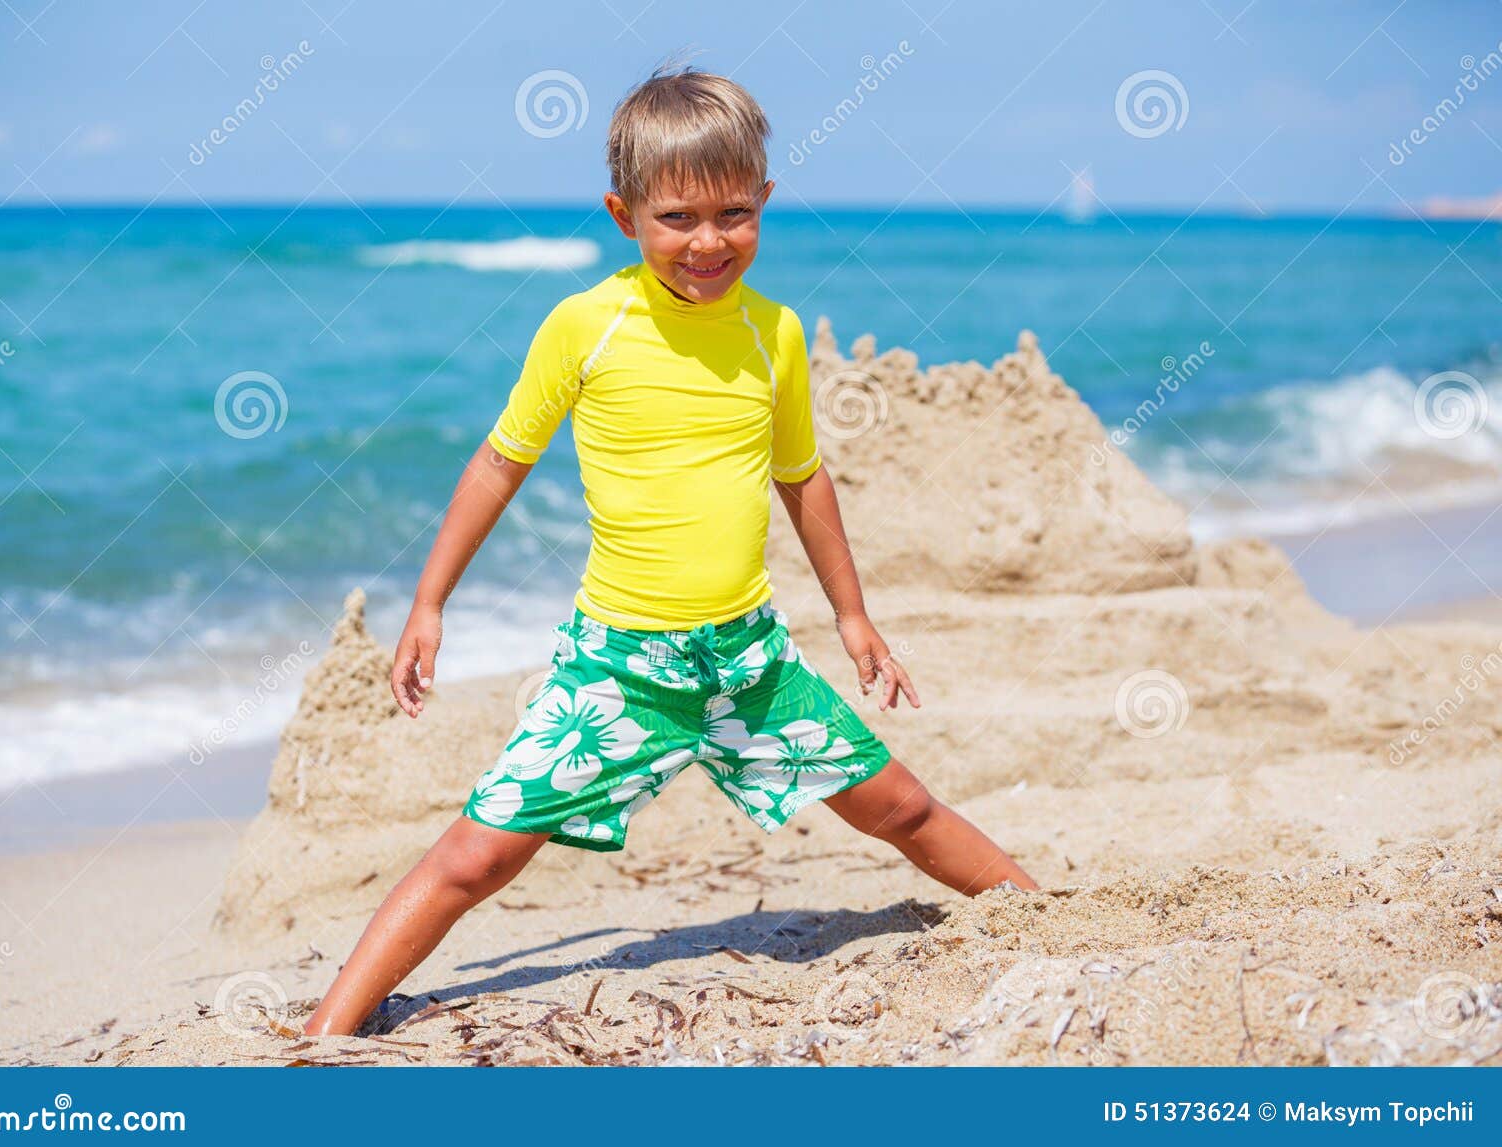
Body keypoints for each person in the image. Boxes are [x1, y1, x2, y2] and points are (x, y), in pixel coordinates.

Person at [303, 63, 1036, 1039]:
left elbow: (802, 478)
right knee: (478, 854)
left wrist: (854, 618)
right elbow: (496, 463)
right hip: (621, 665)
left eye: (734, 213)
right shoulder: (585, 327)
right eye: (677, 218)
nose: (707, 242)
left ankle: (1044, 918)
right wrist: (430, 603)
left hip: (750, 662)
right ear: (624, 214)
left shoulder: (772, 334)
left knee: (899, 805)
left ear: (765, 202)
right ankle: (325, 1030)